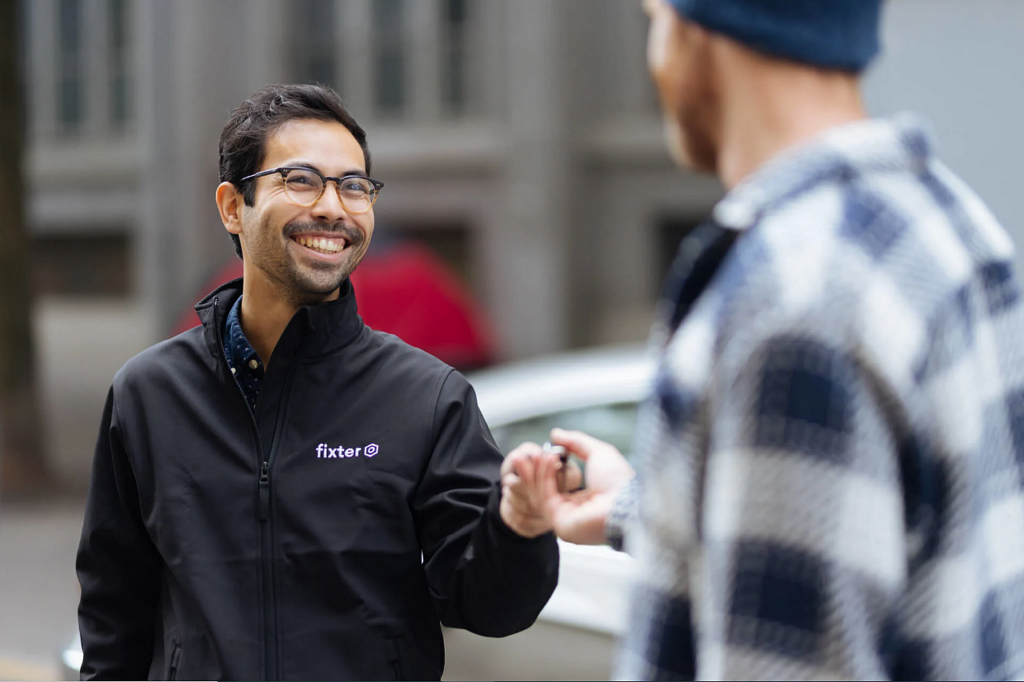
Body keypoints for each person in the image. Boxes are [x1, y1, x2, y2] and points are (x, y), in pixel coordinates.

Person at [511, 0, 1024, 678]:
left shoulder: (794, 296)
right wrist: (650, 505)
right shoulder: (948, 224)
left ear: (697, 31)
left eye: (655, 20)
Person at [75, 83, 558, 681]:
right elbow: (112, 614)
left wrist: (520, 528)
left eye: (354, 186)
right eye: (301, 179)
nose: (334, 207)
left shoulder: (427, 397)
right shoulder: (147, 394)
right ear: (233, 206)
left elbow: (489, 608)